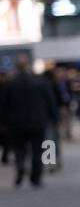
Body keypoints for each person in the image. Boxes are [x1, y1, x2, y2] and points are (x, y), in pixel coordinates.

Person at [0, 56, 59, 188]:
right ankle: (35, 178)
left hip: (16, 124)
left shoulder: (10, 84)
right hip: (37, 122)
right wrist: (54, 119)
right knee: (37, 150)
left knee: (19, 149)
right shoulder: (40, 82)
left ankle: (21, 166)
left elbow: (3, 105)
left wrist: (3, 122)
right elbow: (50, 102)